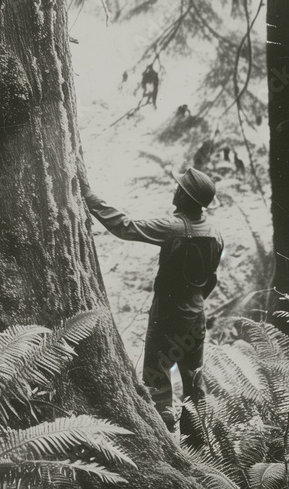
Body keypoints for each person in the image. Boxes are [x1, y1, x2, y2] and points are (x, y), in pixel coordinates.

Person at [83, 168, 224, 433]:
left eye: (178, 188)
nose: (175, 190)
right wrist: (194, 302)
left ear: (185, 197)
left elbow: (125, 227)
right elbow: (211, 279)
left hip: (168, 316)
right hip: (197, 317)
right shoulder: (215, 232)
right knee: (194, 381)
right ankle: (198, 444)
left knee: (157, 379)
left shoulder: (172, 228)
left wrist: (89, 198)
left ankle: (165, 436)